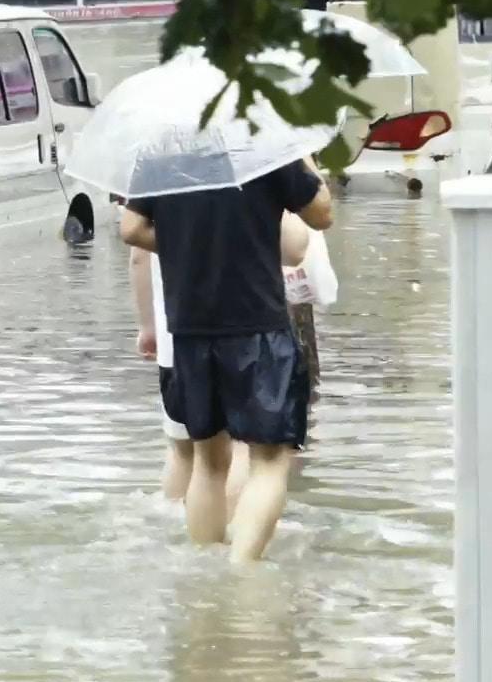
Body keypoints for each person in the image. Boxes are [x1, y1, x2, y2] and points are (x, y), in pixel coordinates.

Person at [120, 158, 334, 563]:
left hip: (189, 328)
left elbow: (130, 228)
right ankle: (240, 573)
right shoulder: (261, 144)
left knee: (208, 461)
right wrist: (308, 166)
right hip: (257, 326)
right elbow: (320, 216)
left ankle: (204, 567)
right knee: (269, 460)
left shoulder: (164, 152)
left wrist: (191, 244)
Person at [131, 213, 312, 506]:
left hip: (174, 340)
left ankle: (176, 526)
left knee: (184, 451)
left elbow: (138, 255)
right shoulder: (248, 176)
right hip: (240, 335)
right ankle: (232, 530)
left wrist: (147, 326)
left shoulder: (159, 176)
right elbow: (293, 248)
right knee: (240, 449)